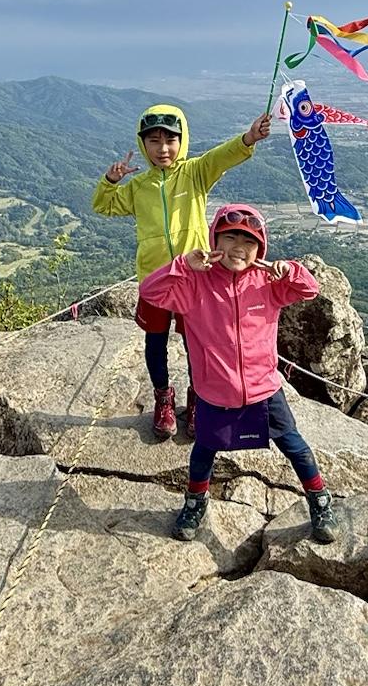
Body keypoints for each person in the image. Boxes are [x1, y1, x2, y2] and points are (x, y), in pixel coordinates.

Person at [138, 203, 338, 545]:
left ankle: (319, 500)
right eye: (230, 238)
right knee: (204, 450)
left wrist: (289, 270)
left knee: (294, 446)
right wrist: (184, 265)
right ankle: (195, 502)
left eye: (249, 241)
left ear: (261, 248)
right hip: (214, 390)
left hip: (264, 389)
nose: (239, 248)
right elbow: (150, 291)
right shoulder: (195, 284)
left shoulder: (268, 283)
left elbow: (309, 289)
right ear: (215, 240)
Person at [93, 102, 272, 439]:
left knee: (198, 344)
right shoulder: (137, 187)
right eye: (154, 141)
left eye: (170, 140)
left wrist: (249, 138)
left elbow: (222, 156)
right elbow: (104, 205)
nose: (163, 149)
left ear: (182, 140)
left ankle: (198, 398)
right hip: (156, 280)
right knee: (155, 342)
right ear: (143, 144)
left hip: (196, 277)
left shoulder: (195, 172)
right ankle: (163, 397)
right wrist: (111, 180)